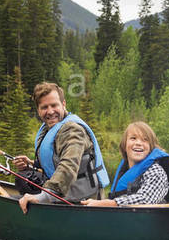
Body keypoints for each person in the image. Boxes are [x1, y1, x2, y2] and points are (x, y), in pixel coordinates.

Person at [12, 81, 109, 212]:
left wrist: (43, 197)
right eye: (44, 107)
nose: (50, 111)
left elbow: (68, 165)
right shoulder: (49, 128)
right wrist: (30, 165)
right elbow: (54, 162)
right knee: (22, 178)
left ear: (63, 104)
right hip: (63, 195)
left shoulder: (73, 130)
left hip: (82, 201)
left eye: (54, 105)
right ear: (38, 110)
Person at [82, 121, 169, 207]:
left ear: (151, 147)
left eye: (145, 140)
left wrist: (108, 203)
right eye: (133, 138)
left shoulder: (156, 171)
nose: (138, 143)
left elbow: (146, 199)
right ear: (124, 145)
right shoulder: (126, 169)